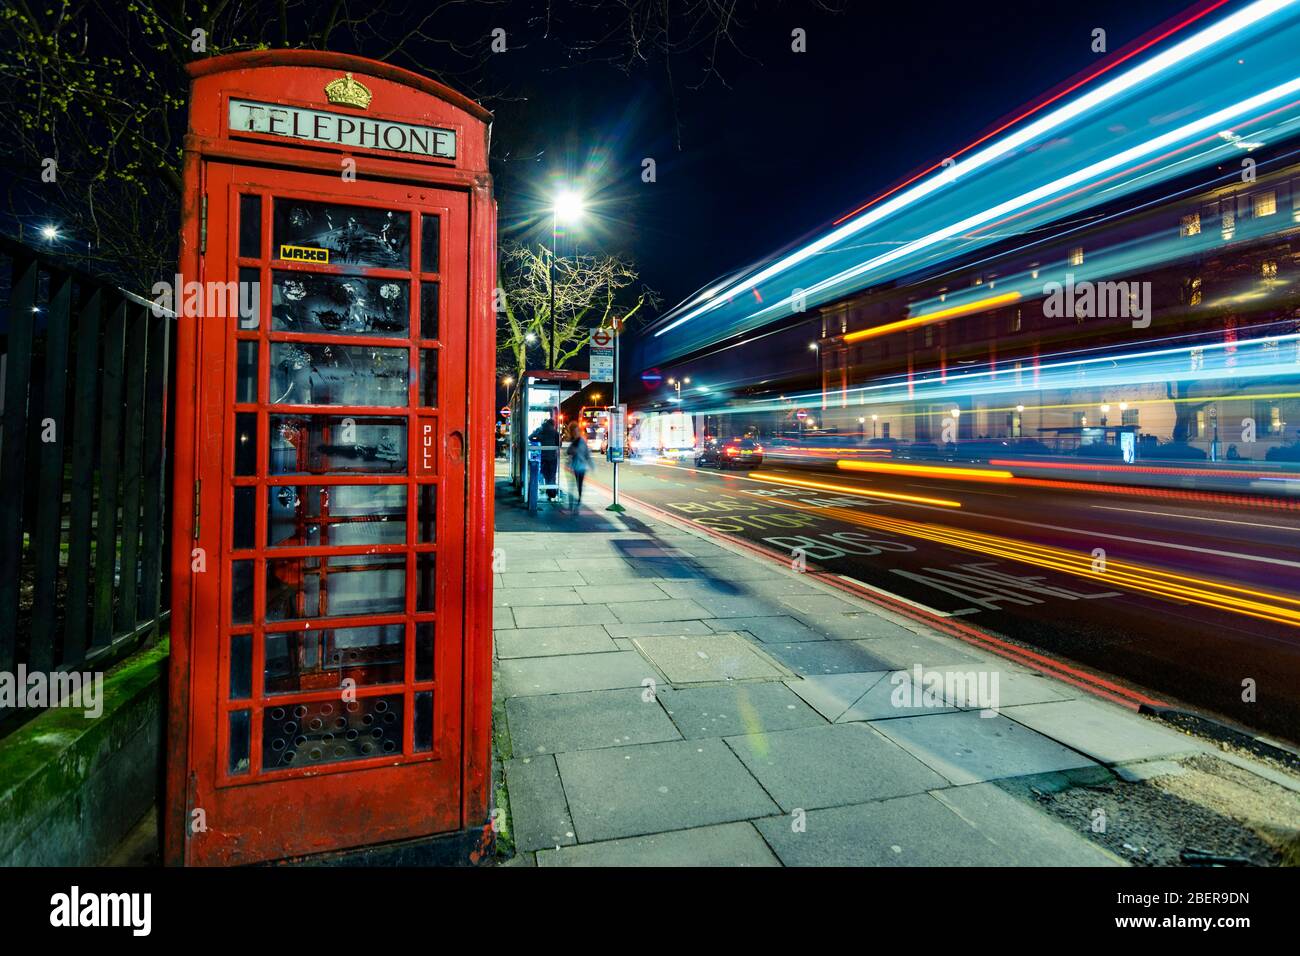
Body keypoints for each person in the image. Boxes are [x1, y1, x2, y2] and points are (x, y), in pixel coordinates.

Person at [529, 417, 560, 501]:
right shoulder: (555, 432)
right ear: (553, 424)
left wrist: (537, 430)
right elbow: (559, 443)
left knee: (546, 475)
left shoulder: (542, 431)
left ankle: (549, 492)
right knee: (552, 475)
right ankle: (552, 493)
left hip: (544, 457)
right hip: (553, 457)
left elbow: (531, 437)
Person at [566, 422, 594, 512]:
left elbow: (587, 455)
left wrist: (591, 465)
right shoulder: (573, 442)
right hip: (573, 466)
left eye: (577, 431)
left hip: (581, 466)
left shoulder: (582, 441)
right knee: (572, 485)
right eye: (574, 432)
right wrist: (572, 451)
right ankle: (572, 503)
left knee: (579, 484)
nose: (576, 433)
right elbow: (568, 451)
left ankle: (579, 500)